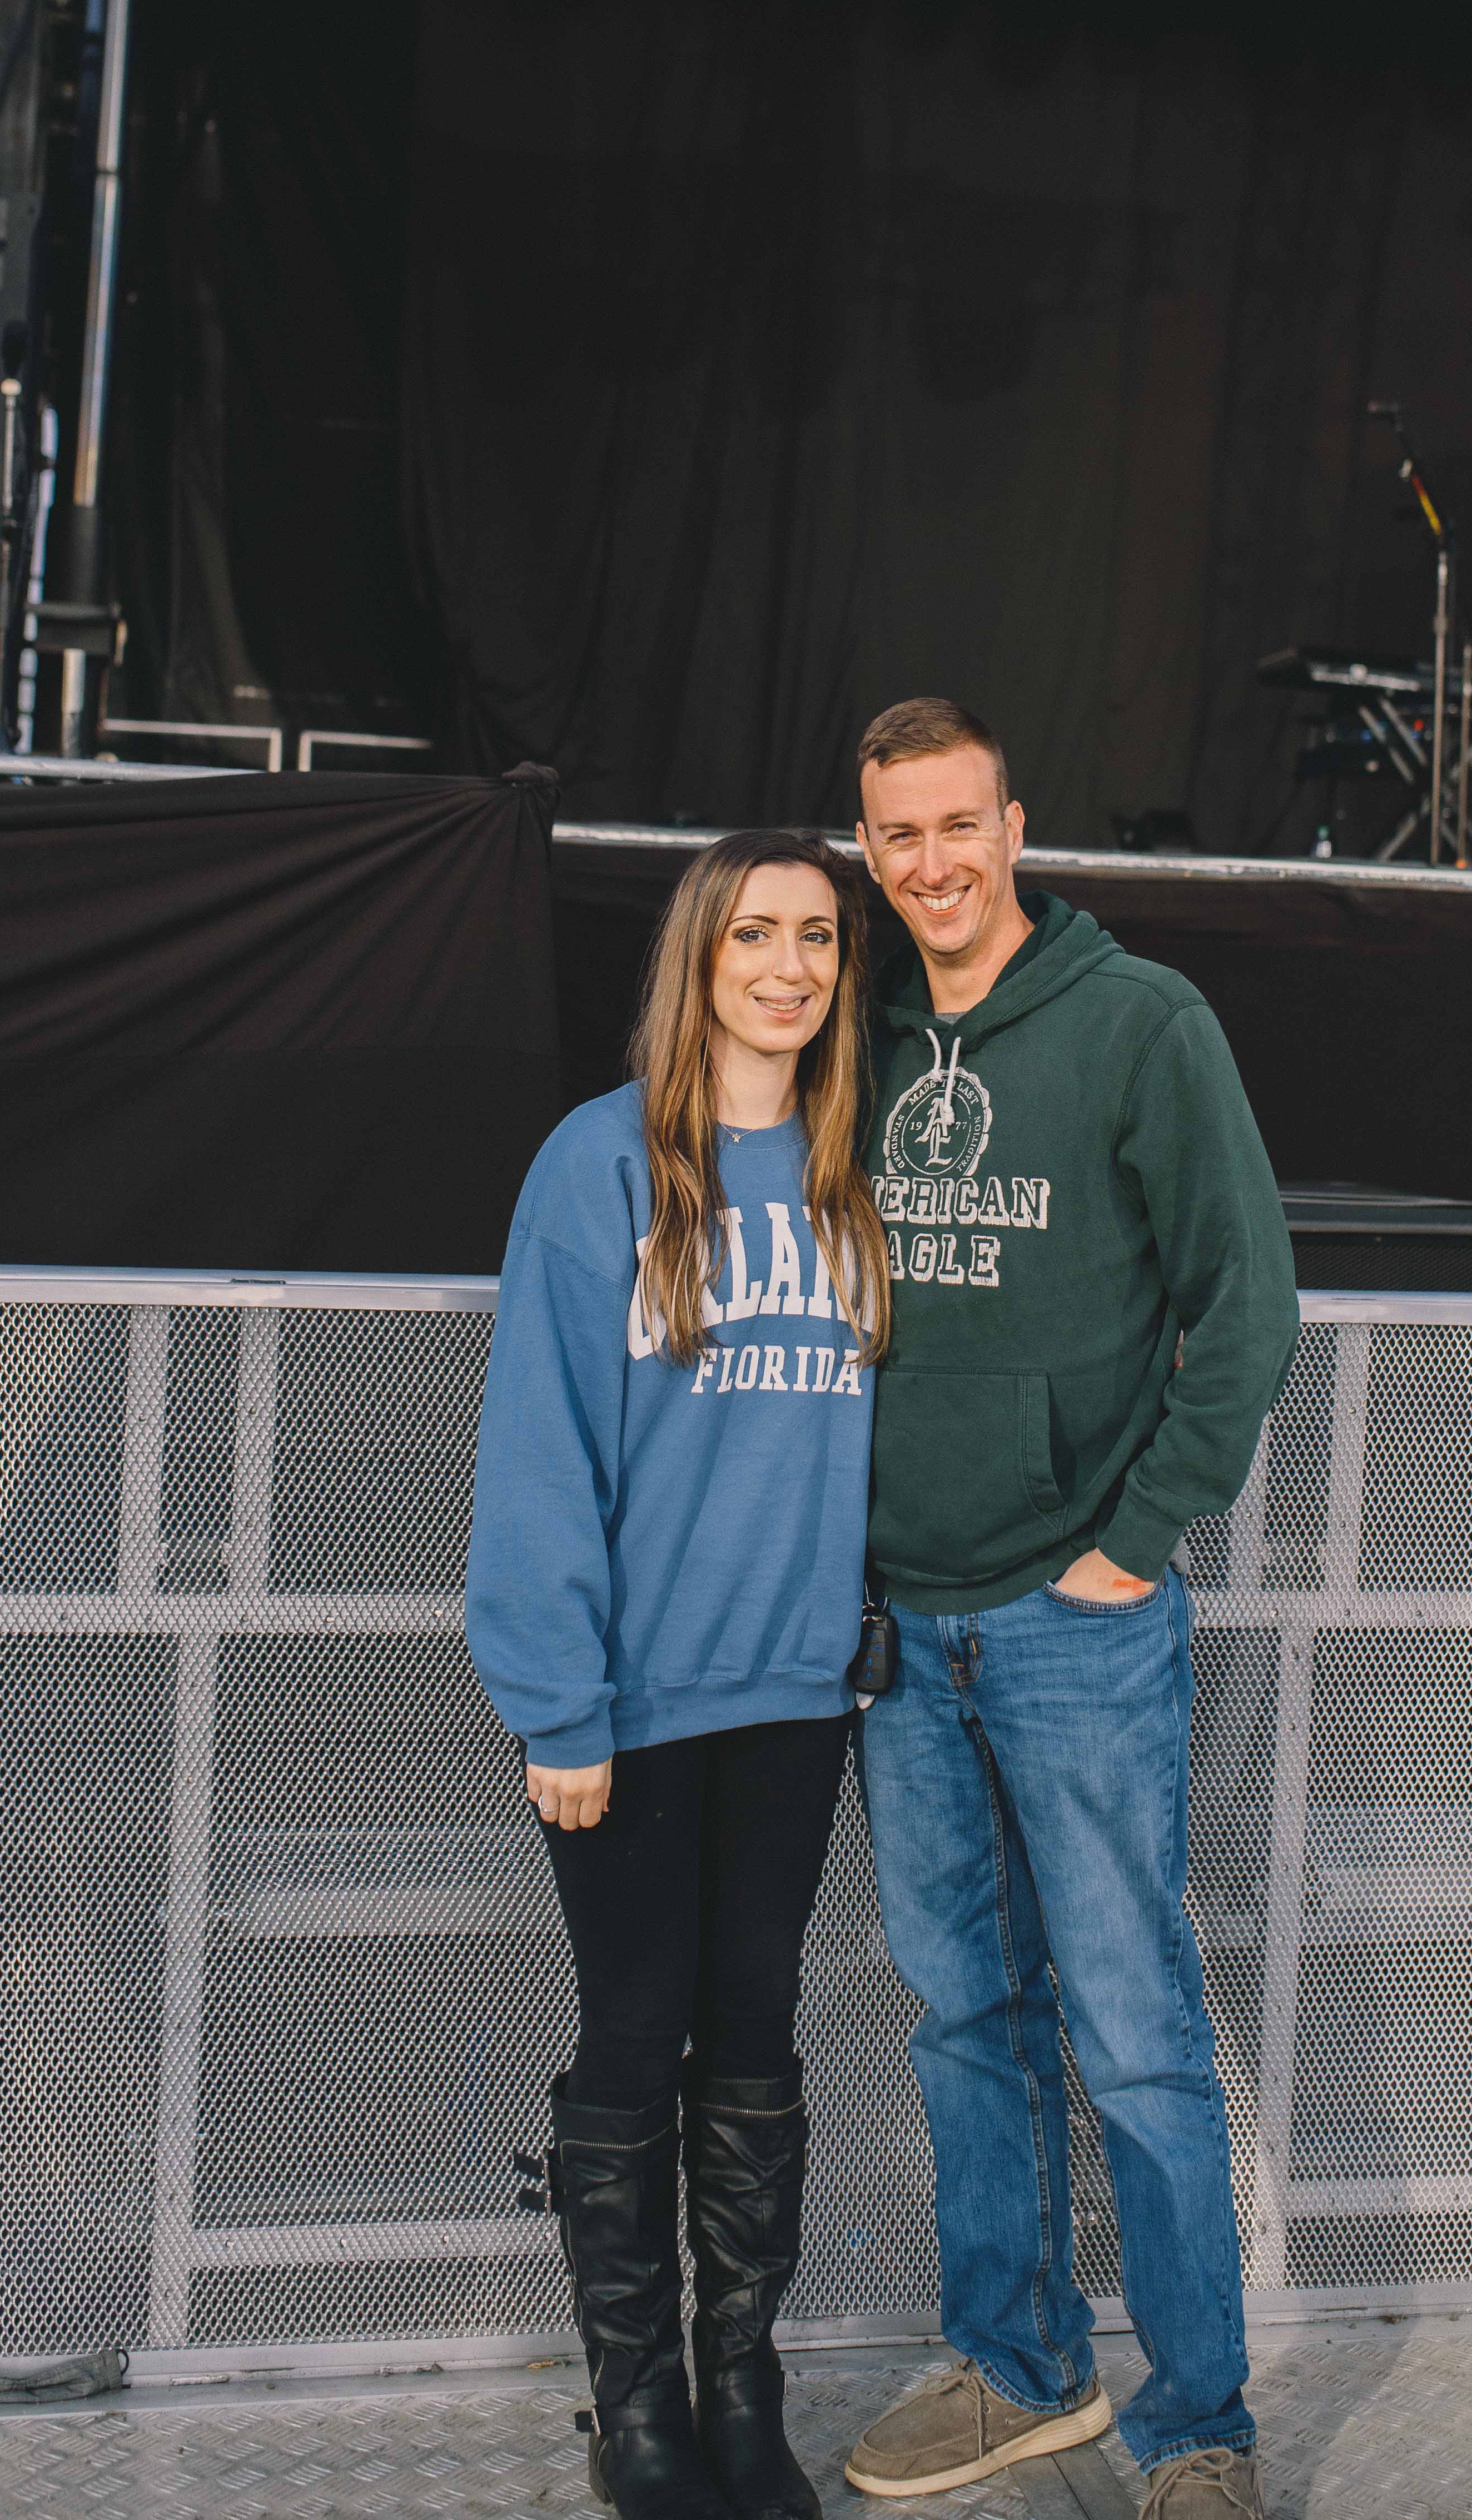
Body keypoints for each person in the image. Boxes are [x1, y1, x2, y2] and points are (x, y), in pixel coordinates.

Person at [840, 700, 1300, 2520]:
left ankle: (1200, 2426)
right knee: (964, 2015)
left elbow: (1246, 1309)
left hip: (1072, 1623)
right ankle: (1020, 2370)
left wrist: (1131, 1542)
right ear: (866, 852)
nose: (934, 867)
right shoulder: (851, 1037)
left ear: (1013, 824)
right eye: (899, 840)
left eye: (961, 826)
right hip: (897, 1633)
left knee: (1134, 2030)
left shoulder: (1136, 1025)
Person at [466, 831, 891, 2520]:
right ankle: (635, 2408)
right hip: (631, 1710)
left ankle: (742, 2394)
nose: (790, 967)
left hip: (793, 1698)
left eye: (817, 940)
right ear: (700, 958)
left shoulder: (854, 1175)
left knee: (762, 2031)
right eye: (758, 936)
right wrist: (557, 1701)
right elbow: (540, 1451)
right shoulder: (601, 1169)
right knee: (635, 2039)